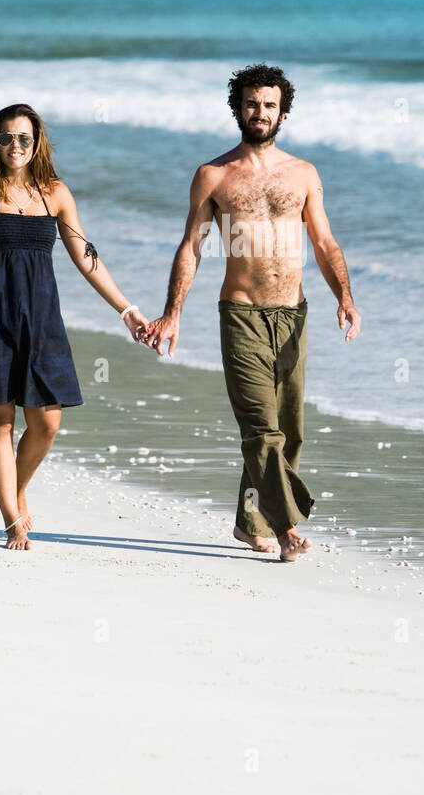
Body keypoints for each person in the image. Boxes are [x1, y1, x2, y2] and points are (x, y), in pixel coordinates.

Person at [143, 65, 360, 561]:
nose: (259, 112)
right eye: (250, 103)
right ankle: (288, 529)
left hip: (293, 315)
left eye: (268, 104)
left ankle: (250, 522)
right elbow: (191, 247)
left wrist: (344, 297)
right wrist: (172, 313)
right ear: (236, 108)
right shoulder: (213, 176)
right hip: (240, 314)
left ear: (282, 111)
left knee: (290, 428)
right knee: (261, 430)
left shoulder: (303, 174)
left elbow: (324, 242)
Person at [0, 103, 149, 551]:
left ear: (37, 145)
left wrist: (125, 308)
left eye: (24, 139)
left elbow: (86, 258)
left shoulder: (56, 194)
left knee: (47, 423)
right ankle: (11, 518)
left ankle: (15, 488)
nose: (16, 146)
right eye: (7, 138)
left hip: (43, 323)